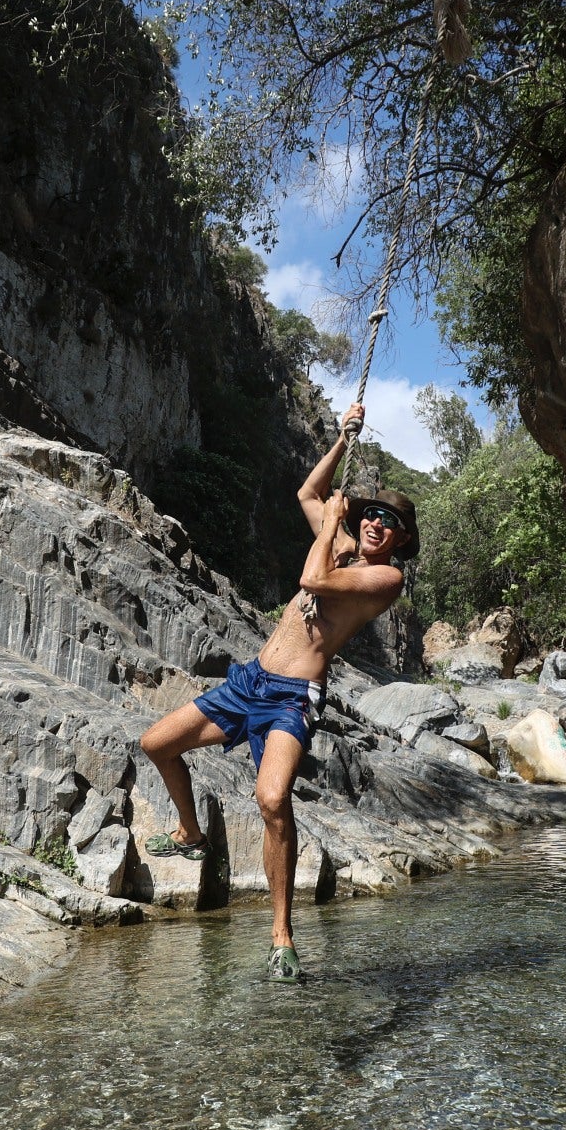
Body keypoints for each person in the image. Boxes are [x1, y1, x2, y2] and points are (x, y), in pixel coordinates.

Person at [138, 402, 419, 983]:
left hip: (294, 696)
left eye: (387, 522)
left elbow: (313, 580)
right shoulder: (339, 541)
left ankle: (282, 934)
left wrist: (336, 526)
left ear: (400, 540)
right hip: (250, 681)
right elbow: (307, 494)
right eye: (370, 515)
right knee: (156, 744)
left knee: (271, 801)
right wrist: (342, 441)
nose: (373, 524)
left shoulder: (384, 578)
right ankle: (189, 830)